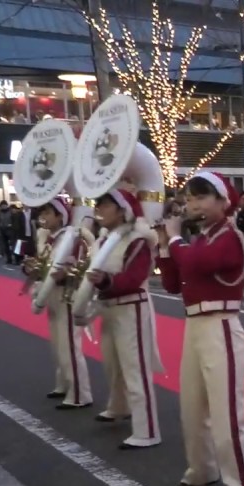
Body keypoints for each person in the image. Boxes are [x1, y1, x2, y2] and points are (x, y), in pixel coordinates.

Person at [157, 171, 244, 486]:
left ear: (223, 201)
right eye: (190, 198)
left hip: (221, 326)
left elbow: (198, 264)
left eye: (202, 197)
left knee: (227, 417)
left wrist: (173, 239)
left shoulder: (231, 235)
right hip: (195, 325)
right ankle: (201, 469)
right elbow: (174, 283)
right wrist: (163, 243)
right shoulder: (200, 238)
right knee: (192, 408)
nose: (193, 204)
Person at [87, 188, 163, 449]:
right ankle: (118, 407)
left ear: (122, 210)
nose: (99, 209)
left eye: (105, 205)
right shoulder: (102, 239)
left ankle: (147, 430)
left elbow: (134, 278)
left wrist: (105, 280)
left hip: (132, 308)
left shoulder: (138, 240)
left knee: (135, 368)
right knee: (112, 363)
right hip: (108, 307)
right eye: (98, 205)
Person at [25, 197, 93, 410]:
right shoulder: (50, 238)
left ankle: (80, 394)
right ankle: (64, 384)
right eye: (41, 213)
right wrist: (31, 268)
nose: (42, 217)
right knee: (58, 344)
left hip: (67, 294)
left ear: (60, 216)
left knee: (69, 345)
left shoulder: (72, 237)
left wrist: (56, 274)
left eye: (47, 213)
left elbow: (74, 268)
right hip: (53, 294)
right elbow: (44, 267)